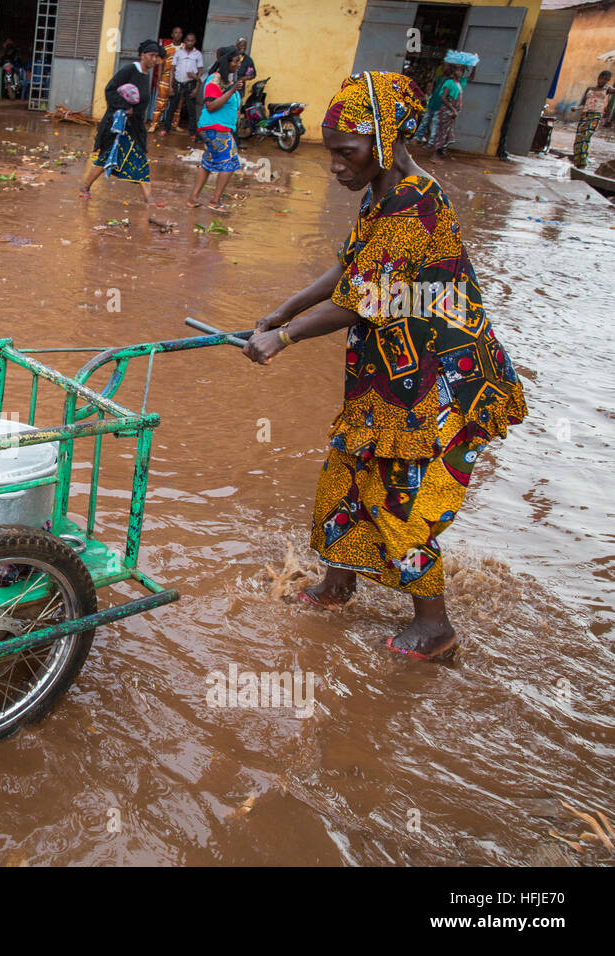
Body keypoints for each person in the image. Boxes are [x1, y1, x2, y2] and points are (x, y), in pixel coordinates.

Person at [242, 71, 527, 661]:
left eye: (346, 153)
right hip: (389, 377)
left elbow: (357, 302)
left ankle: (436, 627)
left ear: (384, 137)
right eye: (331, 155)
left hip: (437, 381)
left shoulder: (416, 207)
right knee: (346, 474)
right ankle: (338, 584)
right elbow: (348, 270)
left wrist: (285, 338)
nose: (336, 167)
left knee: (399, 497)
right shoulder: (382, 194)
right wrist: (279, 311)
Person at [79, 39, 166, 208]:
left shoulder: (145, 75)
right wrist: (125, 107)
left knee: (139, 159)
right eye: (151, 55)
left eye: (156, 56)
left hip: (134, 127)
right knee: (107, 158)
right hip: (120, 127)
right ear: (142, 55)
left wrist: (136, 112)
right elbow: (110, 90)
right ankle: (85, 187)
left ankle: (149, 197)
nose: (154, 59)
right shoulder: (130, 70)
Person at [187, 55, 245, 212]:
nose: (238, 64)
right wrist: (232, 90)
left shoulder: (227, 80)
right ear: (227, 63)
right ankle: (215, 201)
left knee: (208, 163)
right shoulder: (215, 79)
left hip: (218, 128)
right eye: (235, 61)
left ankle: (193, 198)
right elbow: (211, 105)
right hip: (215, 128)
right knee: (231, 161)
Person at [161, 31, 203, 139]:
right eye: (188, 40)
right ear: (185, 41)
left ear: (195, 42)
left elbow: (200, 72)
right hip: (178, 83)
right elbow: (172, 70)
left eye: (192, 40)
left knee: (191, 109)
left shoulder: (198, 54)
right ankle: (166, 129)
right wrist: (170, 86)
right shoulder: (178, 53)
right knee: (172, 107)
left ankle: (193, 132)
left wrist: (196, 88)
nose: (190, 42)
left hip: (190, 84)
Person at [573, 70, 613, 169]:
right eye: (603, 79)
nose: (604, 81)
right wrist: (576, 108)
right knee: (579, 138)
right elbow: (582, 104)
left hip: (595, 116)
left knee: (586, 137)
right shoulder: (590, 89)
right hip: (585, 115)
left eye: (607, 80)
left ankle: (583, 162)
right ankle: (577, 161)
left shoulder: (607, 89)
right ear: (599, 77)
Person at [425, 65, 466, 158]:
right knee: (442, 133)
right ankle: (435, 156)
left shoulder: (459, 83)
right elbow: (443, 98)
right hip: (447, 111)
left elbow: (471, 78)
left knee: (446, 133)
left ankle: (439, 154)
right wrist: (453, 109)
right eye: (458, 70)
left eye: (461, 71)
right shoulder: (449, 82)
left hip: (452, 112)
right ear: (453, 71)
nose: (459, 73)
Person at [148, 27, 183, 133]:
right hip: (166, 78)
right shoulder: (165, 48)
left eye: (180, 33)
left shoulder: (185, 48)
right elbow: (161, 64)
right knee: (161, 103)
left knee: (178, 103)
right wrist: (159, 79)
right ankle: (154, 124)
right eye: (176, 32)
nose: (178, 34)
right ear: (172, 34)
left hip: (180, 79)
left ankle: (174, 124)